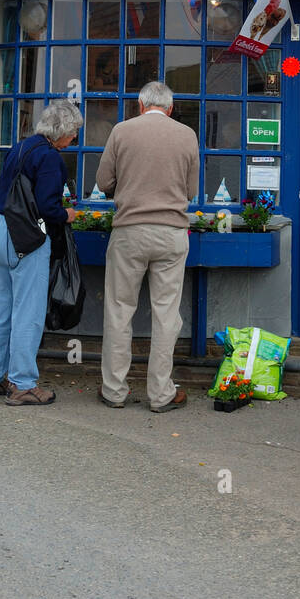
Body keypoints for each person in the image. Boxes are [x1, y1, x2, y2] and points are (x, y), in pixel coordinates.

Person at [96, 81, 199, 412]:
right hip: (171, 232)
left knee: (119, 309)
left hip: (129, 231)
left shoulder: (121, 132)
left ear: (140, 105)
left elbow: (103, 183)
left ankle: (114, 390)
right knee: (167, 314)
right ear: (170, 108)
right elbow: (192, 190)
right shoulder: (187, 135)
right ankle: (160, 394)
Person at [0, 100, 82, 406]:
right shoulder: (50, 158)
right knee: (28, 313)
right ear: (62, 131)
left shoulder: (20, 147)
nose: (74, 139)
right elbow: (48, 207)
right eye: (73, 133)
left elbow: (2, 191)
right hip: (26, 237)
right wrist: (68, 215)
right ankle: (22, 383)